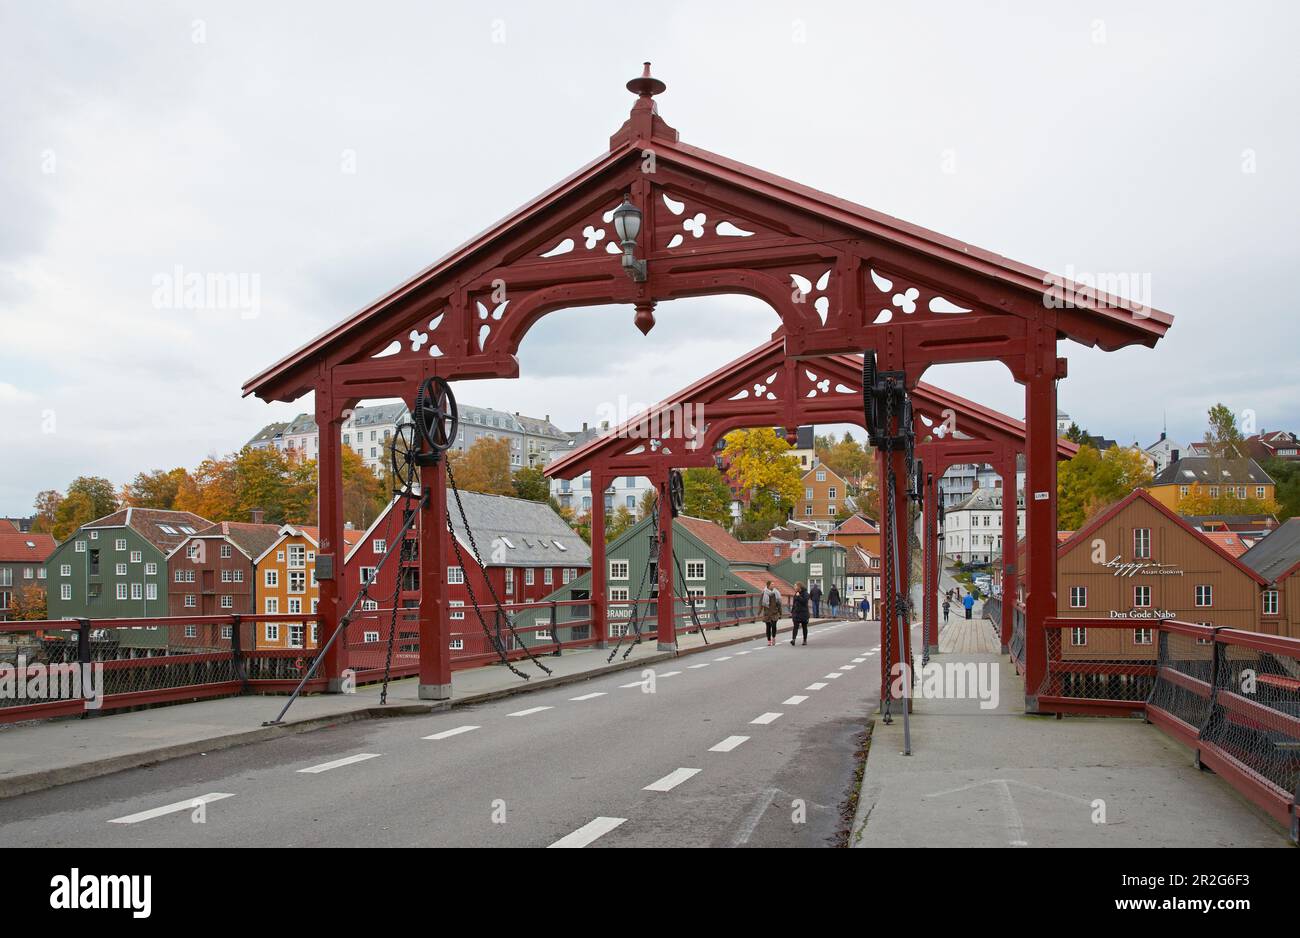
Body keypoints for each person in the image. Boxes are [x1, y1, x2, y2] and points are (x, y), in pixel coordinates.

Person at [760, 579, 782, 646]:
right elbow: (761, 602)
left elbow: (779, 603)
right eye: (772, 584)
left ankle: (773, 637)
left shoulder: (776, 593)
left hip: (774, 612)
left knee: (774, 626)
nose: (773, 585)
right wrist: (759, 611)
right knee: (768, 627)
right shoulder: (764, 592)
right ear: (768, 585)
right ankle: (769, 640)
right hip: (767, 612)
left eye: (773, 584)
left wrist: (780, 612)